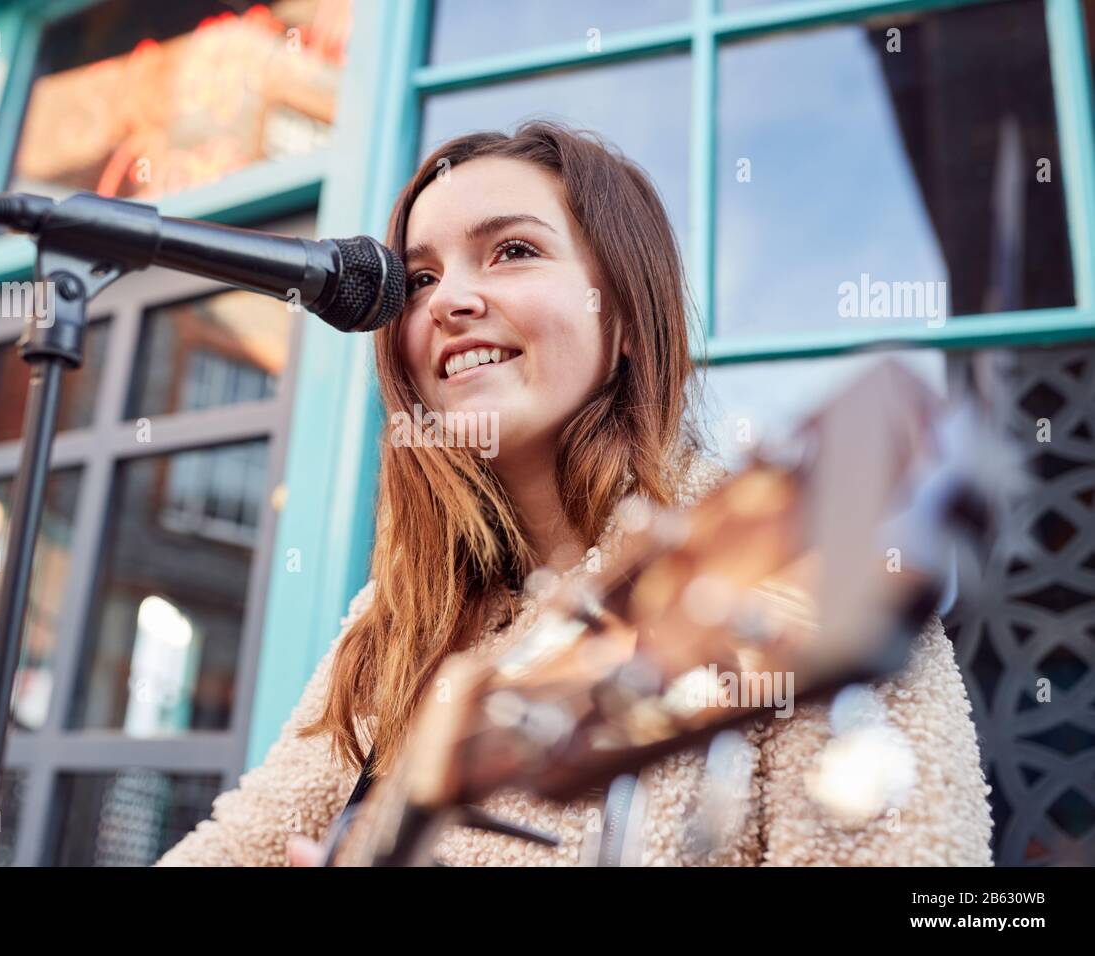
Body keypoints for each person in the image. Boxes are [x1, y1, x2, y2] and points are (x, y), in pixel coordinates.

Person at [155, 121, 993, 867]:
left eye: (513, 250)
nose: (449, 300)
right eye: (416, 281)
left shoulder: (786, 563)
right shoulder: (395, 621)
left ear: (625, 317)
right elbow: (233, 846)